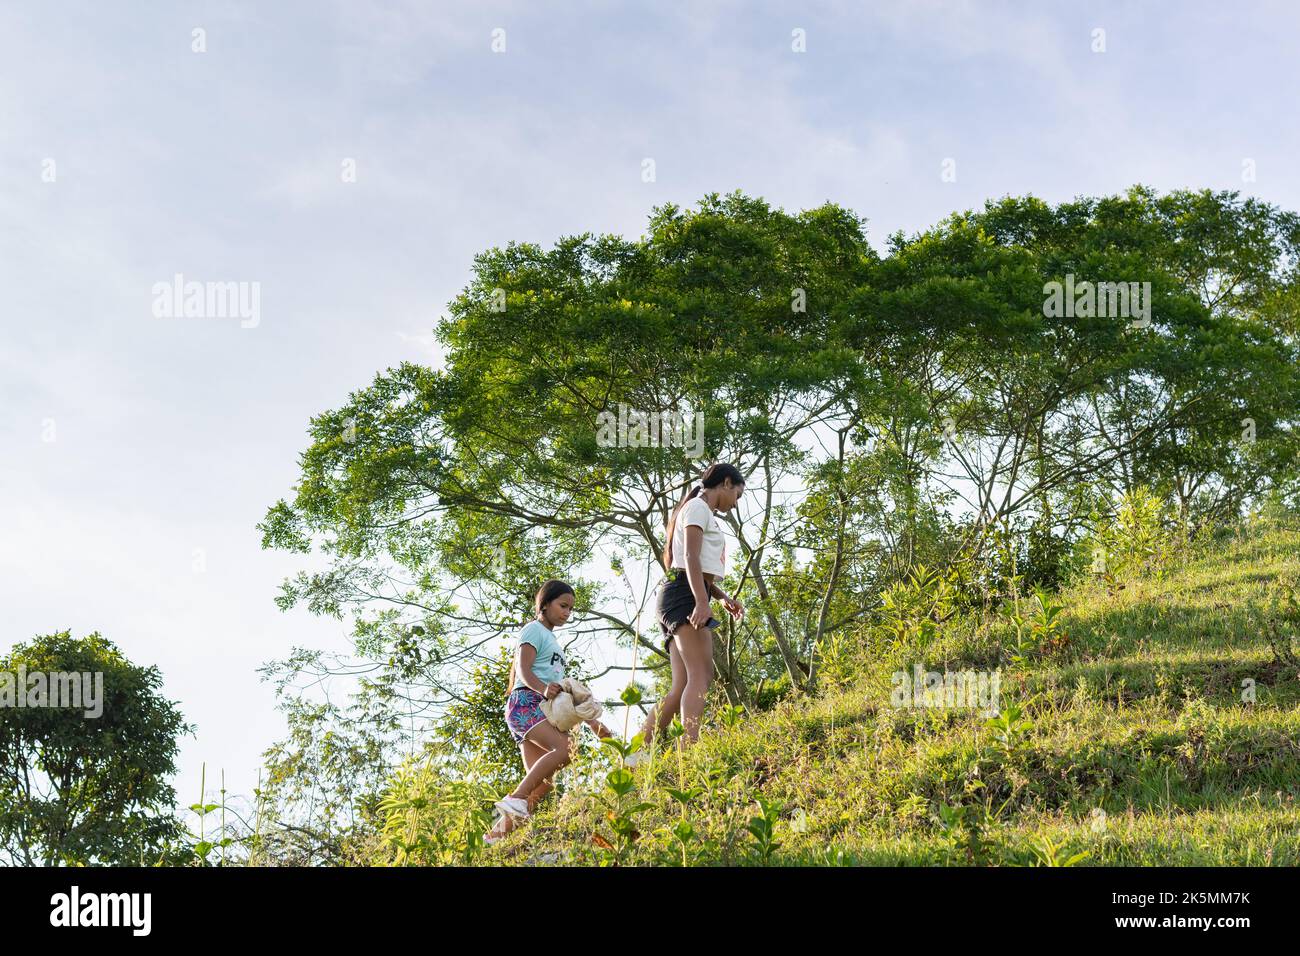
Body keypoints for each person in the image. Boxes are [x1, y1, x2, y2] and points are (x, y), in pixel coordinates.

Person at [630, 462, 746, 762]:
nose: (735, 505)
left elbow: (696, 565)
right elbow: (689, 557)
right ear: (726, 483)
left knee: (681, 683)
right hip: (684, 594)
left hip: (681, 593)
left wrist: (718, 597)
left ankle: (637, 753)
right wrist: (701, 601)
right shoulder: (698, 508)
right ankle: (690, 752)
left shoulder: (701, 511)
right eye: (737, 495)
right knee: (702, 675)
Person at [487, 579, 615, 844]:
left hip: (540, 708)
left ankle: (494, 839)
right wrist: (543, 688)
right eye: (563, 606)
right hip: (525, 703)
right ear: (544, 604)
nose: (567, 613)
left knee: (543, 783)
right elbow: (523, 668)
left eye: (571, 609)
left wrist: (591, 722)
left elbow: (564, 693)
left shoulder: (552, 640)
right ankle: (515, 798)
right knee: (567, 748)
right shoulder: (534, 630)